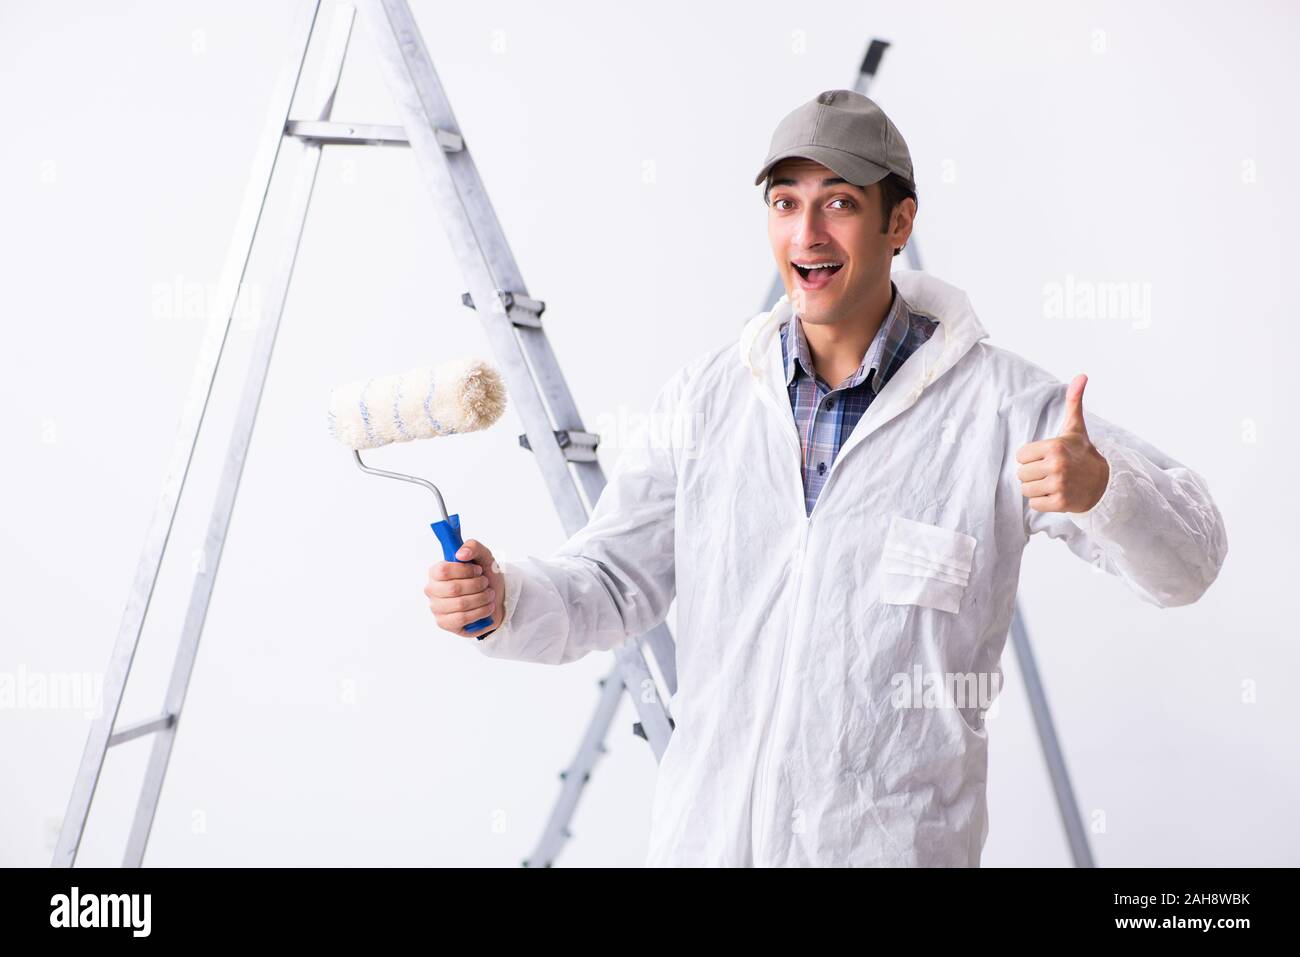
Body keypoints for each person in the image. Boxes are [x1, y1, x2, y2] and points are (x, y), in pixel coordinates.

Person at [423, 90, 1229, 866]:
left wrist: (1105, 492)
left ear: (899, 222)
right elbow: (608, 582)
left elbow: (1190, 563)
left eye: (839, 202)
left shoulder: (1004, 409)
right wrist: (504, 600)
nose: (806, 232)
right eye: (785, 203)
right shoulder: (708, 400)